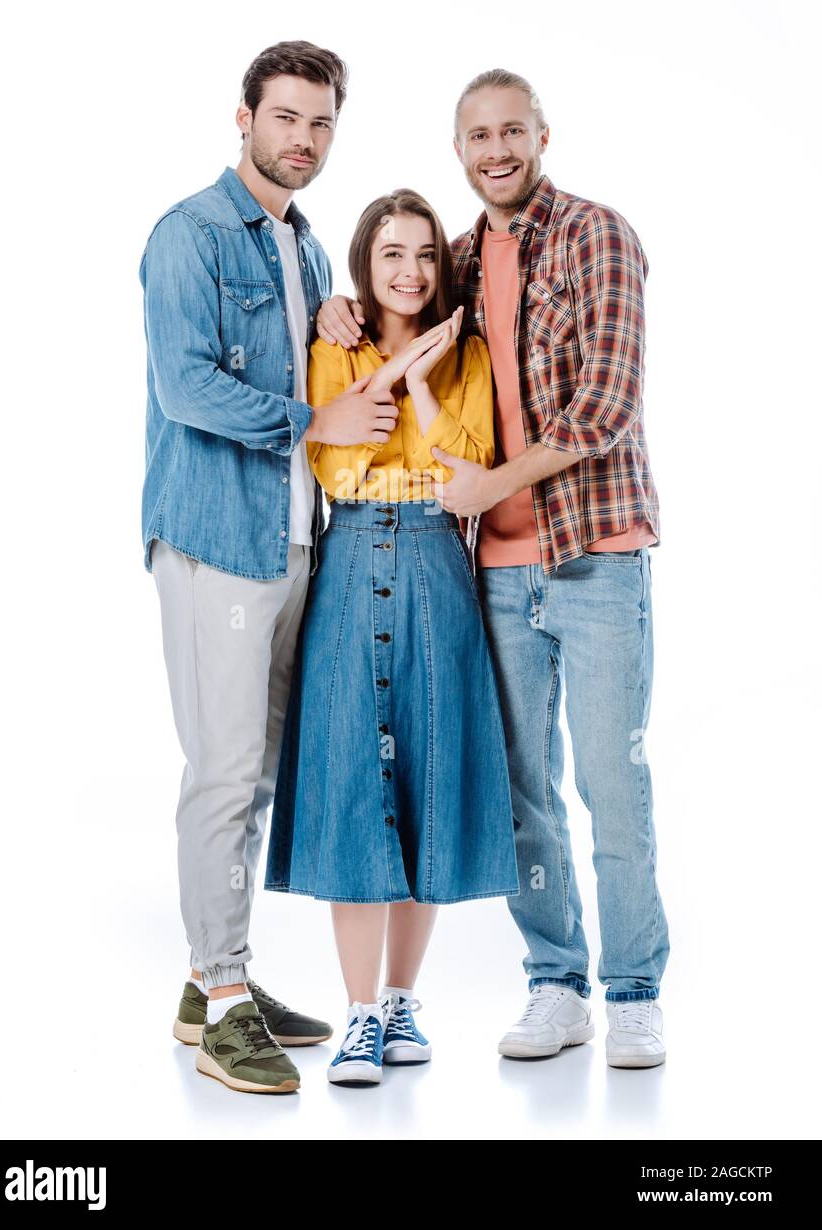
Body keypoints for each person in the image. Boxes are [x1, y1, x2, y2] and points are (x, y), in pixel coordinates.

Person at [315, 70, 670, 1070]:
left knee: (612, 782)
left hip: (593, 555)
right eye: (477, 135)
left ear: (542, 135)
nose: (496, 148)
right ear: (461, 149)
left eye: (512, 130)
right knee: (525, 792)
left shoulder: (599, 236)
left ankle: (634, 989)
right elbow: (398, 296)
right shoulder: (462, 258)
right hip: (495, 575)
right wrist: (339, 311)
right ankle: (555, 983)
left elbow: (601, 412)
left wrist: (485, 485)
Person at [141, 40, 404, 1095]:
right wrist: (313, 413)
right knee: (221, 771)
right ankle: (229, 1000)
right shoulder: (189, 235)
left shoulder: (300, 250)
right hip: (218, 539)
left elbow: (309, 359)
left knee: (254, 774)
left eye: (321, 123)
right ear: (243, 116)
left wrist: (336, 323)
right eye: (286, 117)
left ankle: (214, 985)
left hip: (297, 540)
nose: (303, 139)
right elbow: (187, 389)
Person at [264, 189, 520, 1086]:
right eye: (389, 255)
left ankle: (404, 1003)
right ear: (363, 265)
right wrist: (392, 372)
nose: (408, 271)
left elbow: (467, 467)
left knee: (423, 775)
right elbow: (334, 460)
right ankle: (360, 1016)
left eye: (421, 254)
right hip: (351, 557)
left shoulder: (472, 355)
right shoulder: (330, 344)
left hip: (436, 566)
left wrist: (413, 383)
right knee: (348, 779)